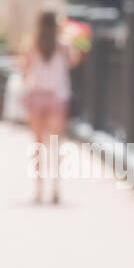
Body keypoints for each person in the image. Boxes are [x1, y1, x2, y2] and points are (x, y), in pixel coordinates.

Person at [19, 10, 80, 204]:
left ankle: (38, 190)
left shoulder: (31, 45)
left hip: (36, 96)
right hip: (56, 97)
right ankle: (55, 188)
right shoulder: (63, 45)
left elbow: (23, 69)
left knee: (37, 146)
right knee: (55, 146)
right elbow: (75, 60)